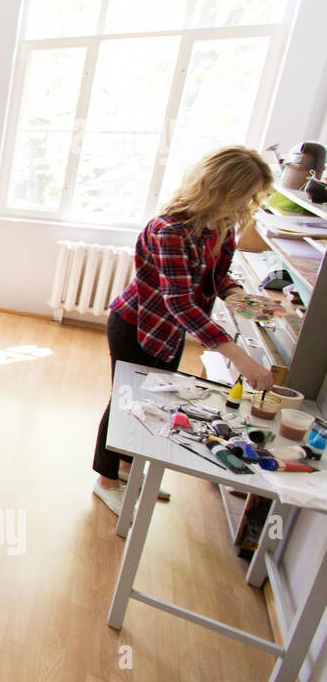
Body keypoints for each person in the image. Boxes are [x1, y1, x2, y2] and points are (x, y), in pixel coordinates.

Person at [91, 146, 276, 516]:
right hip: (137, 325)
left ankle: (128, 471)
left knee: (152, 403)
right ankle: (106, 481)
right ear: (219, 188)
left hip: (169, 331)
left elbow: (217, 276)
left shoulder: (220, 227)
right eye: (243, 196)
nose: (246, 206)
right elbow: (181, 303)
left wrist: (237, 295)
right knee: (125, 403)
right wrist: (242, 359)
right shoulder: (169, 230)